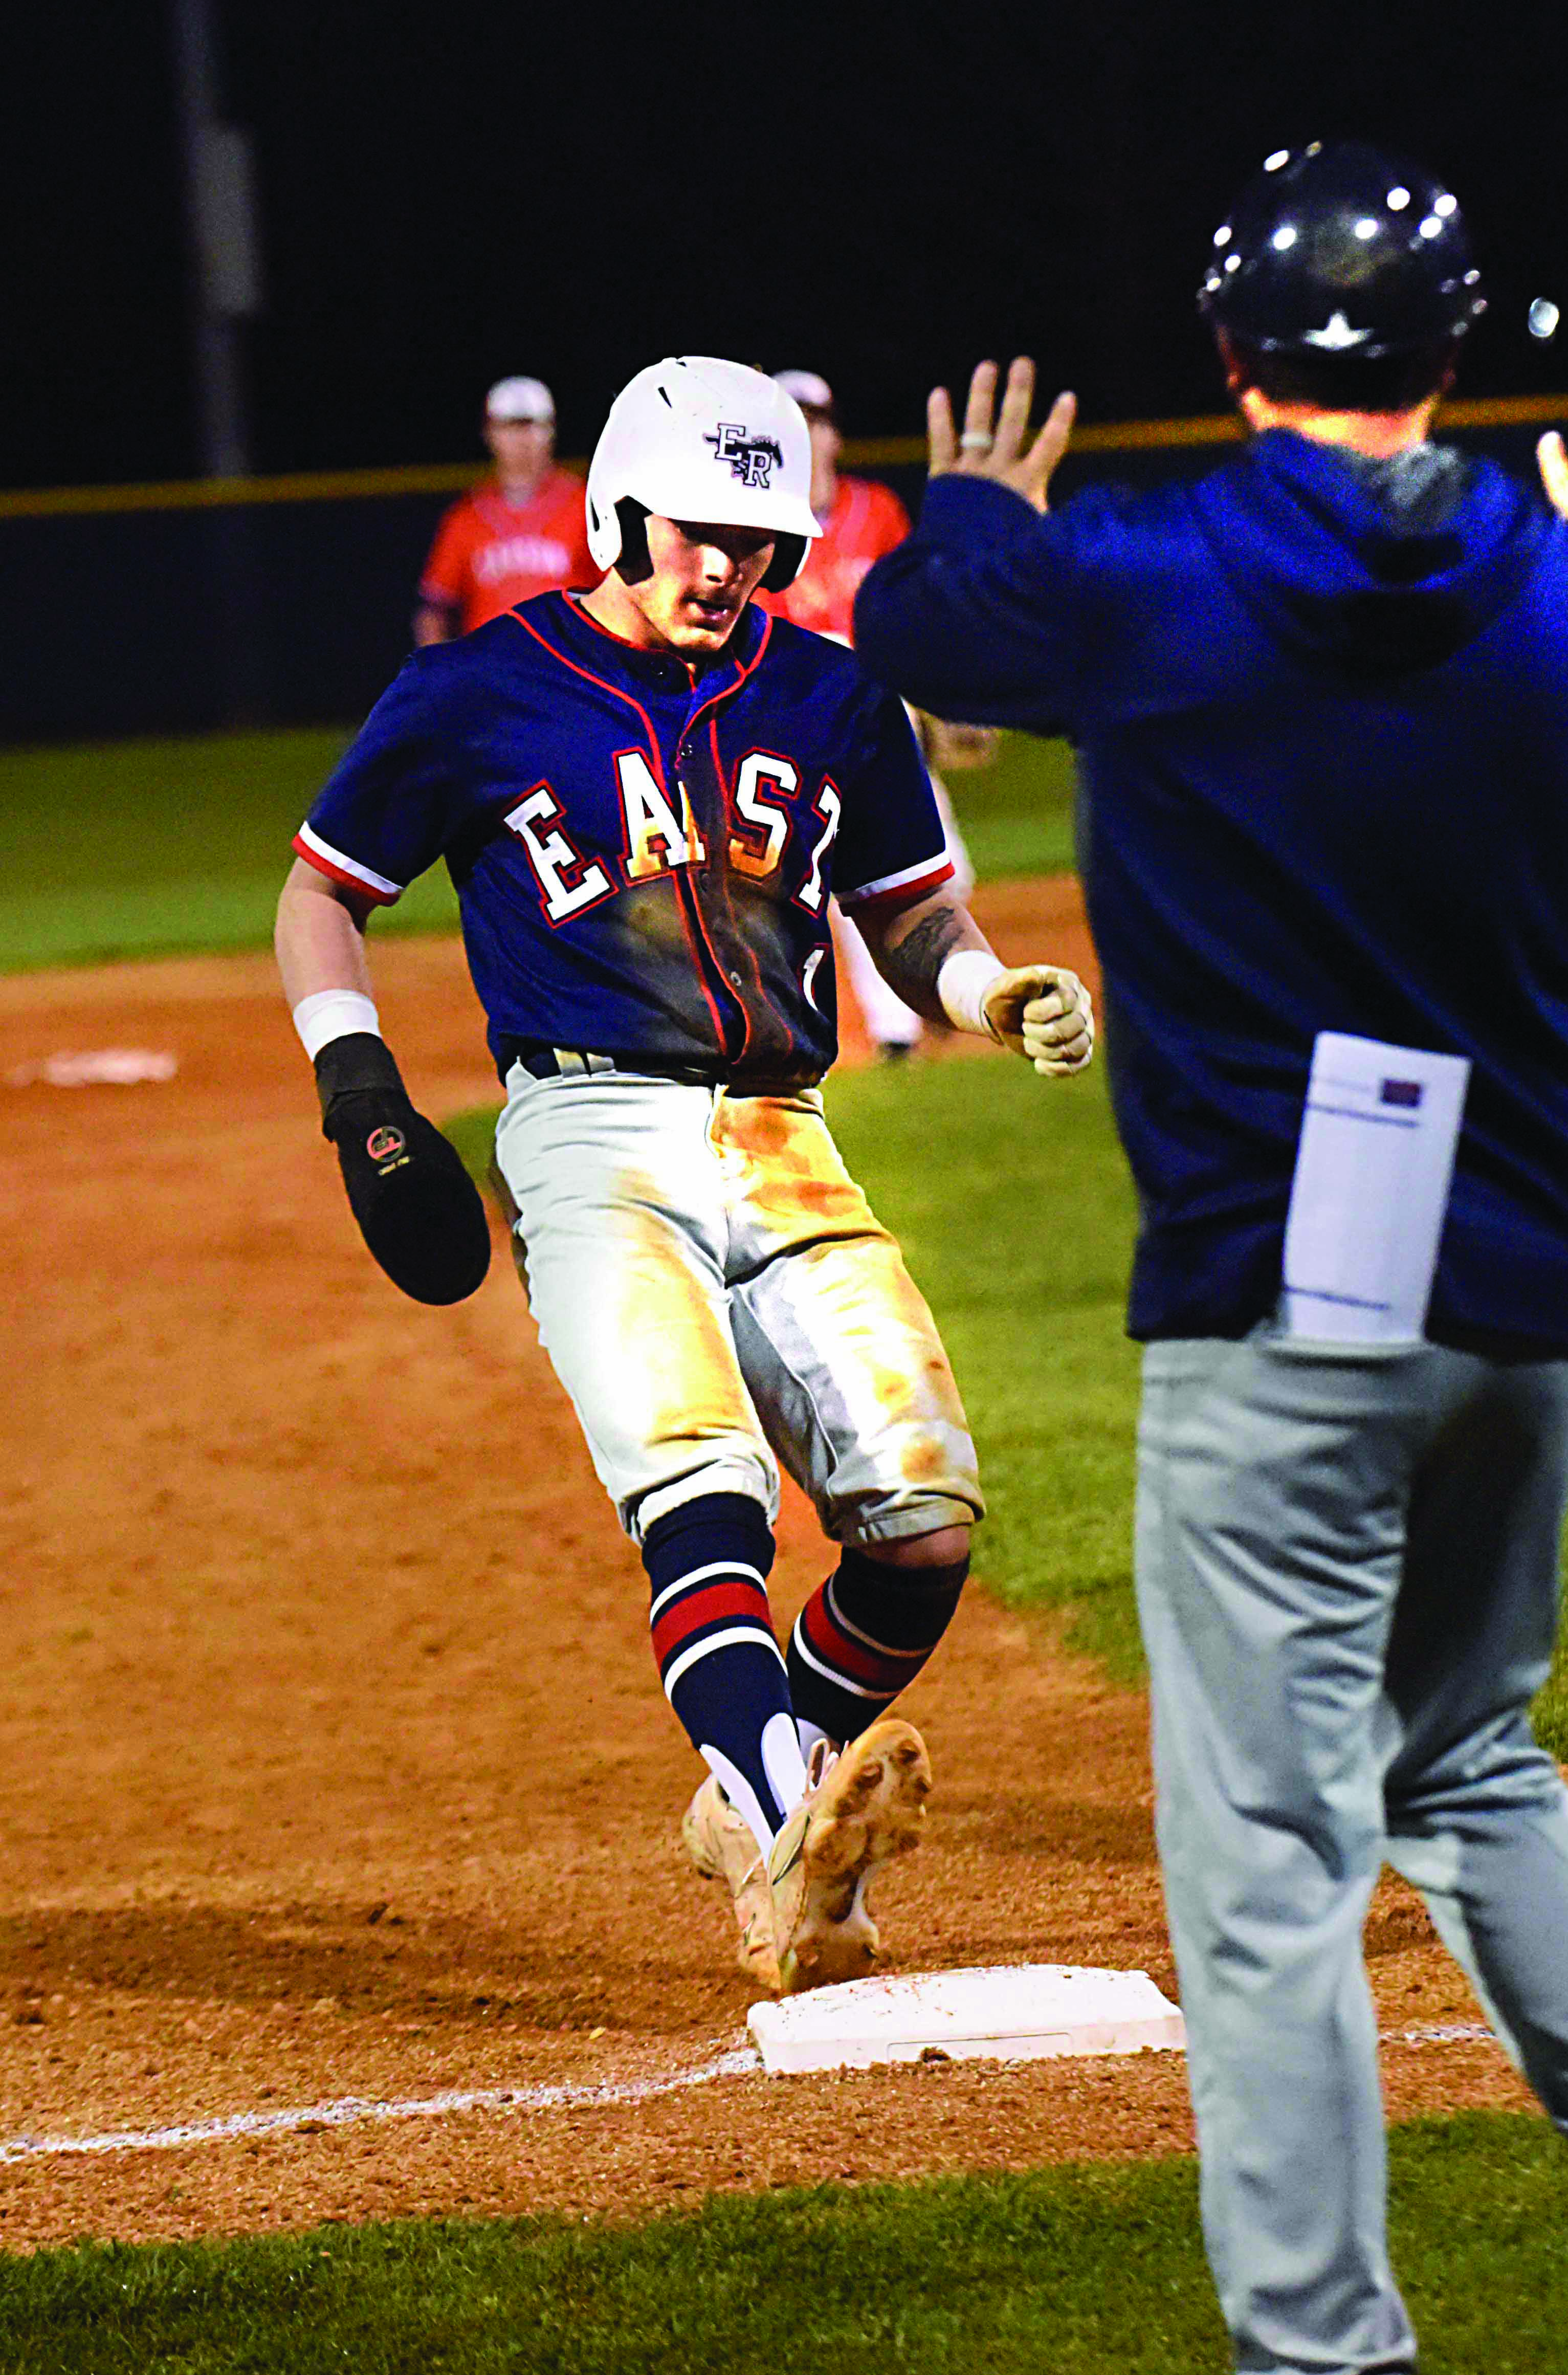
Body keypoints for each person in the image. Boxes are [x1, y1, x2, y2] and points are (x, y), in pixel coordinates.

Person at [856, 142, 1568, 2375]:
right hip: (1522, 1293)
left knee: (1271, 1862)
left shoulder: (1151, 580)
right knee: (1468, 1751)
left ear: (1230, 352)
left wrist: (985, 497)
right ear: (1459, 351)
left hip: (1280, 1297)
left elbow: (925, 622)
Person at [276, 355, 1095, 1994]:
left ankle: (760, 1788)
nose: (730, 567)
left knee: (924, 1520)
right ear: (617, 510)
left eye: (761, 541)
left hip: (786, 1130)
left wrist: (987, 990)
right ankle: (795, 1810)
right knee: (698, 1479)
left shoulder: (829, 694)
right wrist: (361, 1093)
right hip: (590, 1131)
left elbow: (910, 914)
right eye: (698, 532)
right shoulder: (477, 691)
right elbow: (322, 894)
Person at [760, 367, 998, 1063]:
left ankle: (938, 986)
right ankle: (895, 1031)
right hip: (802, 725)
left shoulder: (878, 511)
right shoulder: (756, 530)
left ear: (834, 434)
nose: (806, 433)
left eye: (816, 419)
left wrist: (949, 692)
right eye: (790, 420)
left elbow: (912, 618)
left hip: (889, 719)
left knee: (947, 870)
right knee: (849, 877)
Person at [414, 375, 598, 646]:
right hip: (490, 672)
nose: (522, 438)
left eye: (532, 425)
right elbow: (435, 610)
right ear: (489, 432)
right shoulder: (466, 516)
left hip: (567, 668)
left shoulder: (584, 504)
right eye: (510, 426)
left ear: (552, 430)